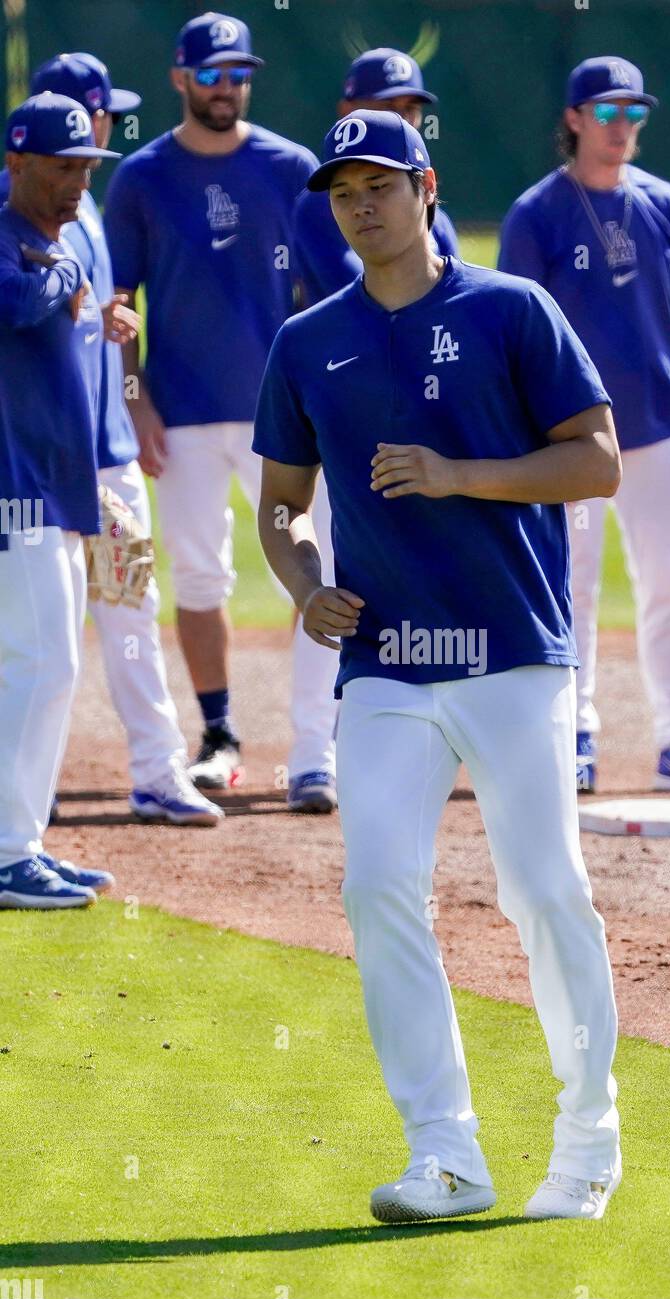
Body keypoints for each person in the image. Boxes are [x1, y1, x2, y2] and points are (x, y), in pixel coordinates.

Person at [254, 112, 623, 1223]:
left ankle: (586, 1142)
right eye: (340, 193)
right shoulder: (307, 340)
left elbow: (595, 461)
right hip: (381, 666)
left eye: (377, 185)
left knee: (545, 890)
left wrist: (457, 474)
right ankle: (446, 1153)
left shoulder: (511, 307)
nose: (358, 207)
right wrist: (301, 577)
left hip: (511, 649)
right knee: (374, 886)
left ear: (425, 188)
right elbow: (278, 504)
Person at [499, 56, 670, 795]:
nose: (623, 128)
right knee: (573, 590)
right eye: (607, 113)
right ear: (573, 120)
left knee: (669, 585)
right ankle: (573, 734)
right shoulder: (536, 214)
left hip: (657, 434)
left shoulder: (663, 203)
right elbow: (513, 334)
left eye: (633, 114)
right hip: (568, 442)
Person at [8, 52, 223, 828]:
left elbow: (90, 319)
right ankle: (33, 794)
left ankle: (155, 770)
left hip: (106, 461)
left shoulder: (82, 209)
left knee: (127, 608)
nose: (106, 131)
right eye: (100, 116)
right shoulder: (24, 208)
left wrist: (130, 395)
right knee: (44, 637)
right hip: (50, 469)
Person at [104, 11, 317, 791]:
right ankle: (219, 733)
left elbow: (328, 288)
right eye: (212, 74)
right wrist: (135, 401)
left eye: (239, 74)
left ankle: (316, 747)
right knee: (198, 578)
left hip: (283, 413)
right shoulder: (142, 177)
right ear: (180, 77)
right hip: (182, 411)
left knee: (310, 568)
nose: (227, 88)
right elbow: (119, 300)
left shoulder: (293, 167)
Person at [282, 46, 460, 814]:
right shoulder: (333, 205)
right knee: (326, 580)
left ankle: (452, 734)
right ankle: (308, 753)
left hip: (430, 433)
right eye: (383, 106)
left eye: (410, 107)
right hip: (346, 420)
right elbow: (362, 298)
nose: (401, 116)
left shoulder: (431, 213)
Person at [0, 94, 117, 908]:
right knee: (40, 664)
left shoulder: (55, 240)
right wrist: (69, 273)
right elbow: (15, 304)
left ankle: (24, 840)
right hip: (15, 488)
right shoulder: (14, 241)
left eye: (84, 166)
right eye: (62, 164)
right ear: (17, 162)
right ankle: (10, 853)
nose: (77, 180)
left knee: (50, 665)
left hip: (56, 483)